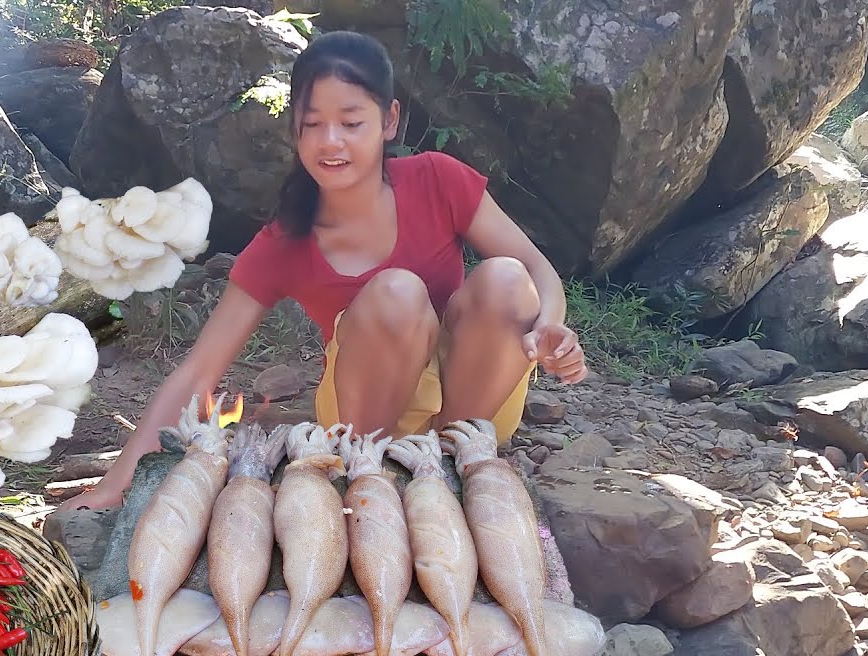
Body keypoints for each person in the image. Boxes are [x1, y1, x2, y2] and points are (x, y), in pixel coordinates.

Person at [56, 30, 587, 515]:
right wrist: (113, 487)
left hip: (469, 401)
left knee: (507, 279)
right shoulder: (286, 240)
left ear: (390, 120)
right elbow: (198, 373)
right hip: (370, 415)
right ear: (295, 129)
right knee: (397, 292)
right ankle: (365, 484)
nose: (331, 141)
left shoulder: (437, 180)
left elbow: (539, 271)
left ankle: (456, 473)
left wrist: (550, 328)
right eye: (313, 124)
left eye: (352, 122)